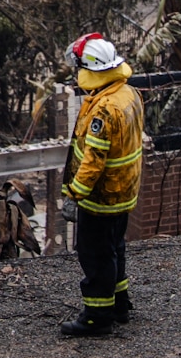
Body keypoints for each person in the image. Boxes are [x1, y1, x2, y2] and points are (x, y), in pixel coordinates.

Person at [59, 34, 144, 337]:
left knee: (95, 254)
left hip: (101, 197)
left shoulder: (103, 111)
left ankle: (97, 317)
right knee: (114, 248)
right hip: (124, 192)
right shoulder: (129, 94)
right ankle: (119, 304)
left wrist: (74, 195)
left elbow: (93, 162)